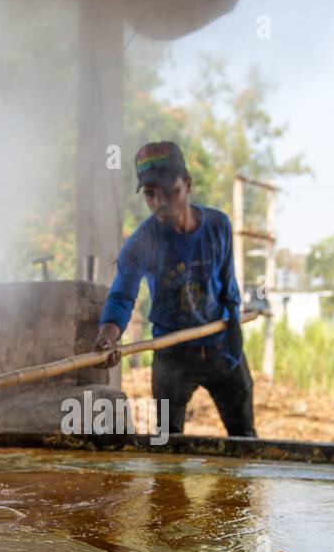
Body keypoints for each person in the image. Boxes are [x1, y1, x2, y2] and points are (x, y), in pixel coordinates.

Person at [93, 141, 257, 438]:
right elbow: (121, 296)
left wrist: (233, 336)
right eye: (151, 194)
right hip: (172, 353)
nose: (160, 202)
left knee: (245, 437)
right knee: (167, 442)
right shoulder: (141, 243)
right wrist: (107, 338)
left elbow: (228, 288)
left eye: (171, 191)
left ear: (188, 185)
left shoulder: (218, 226)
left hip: (220, 344)